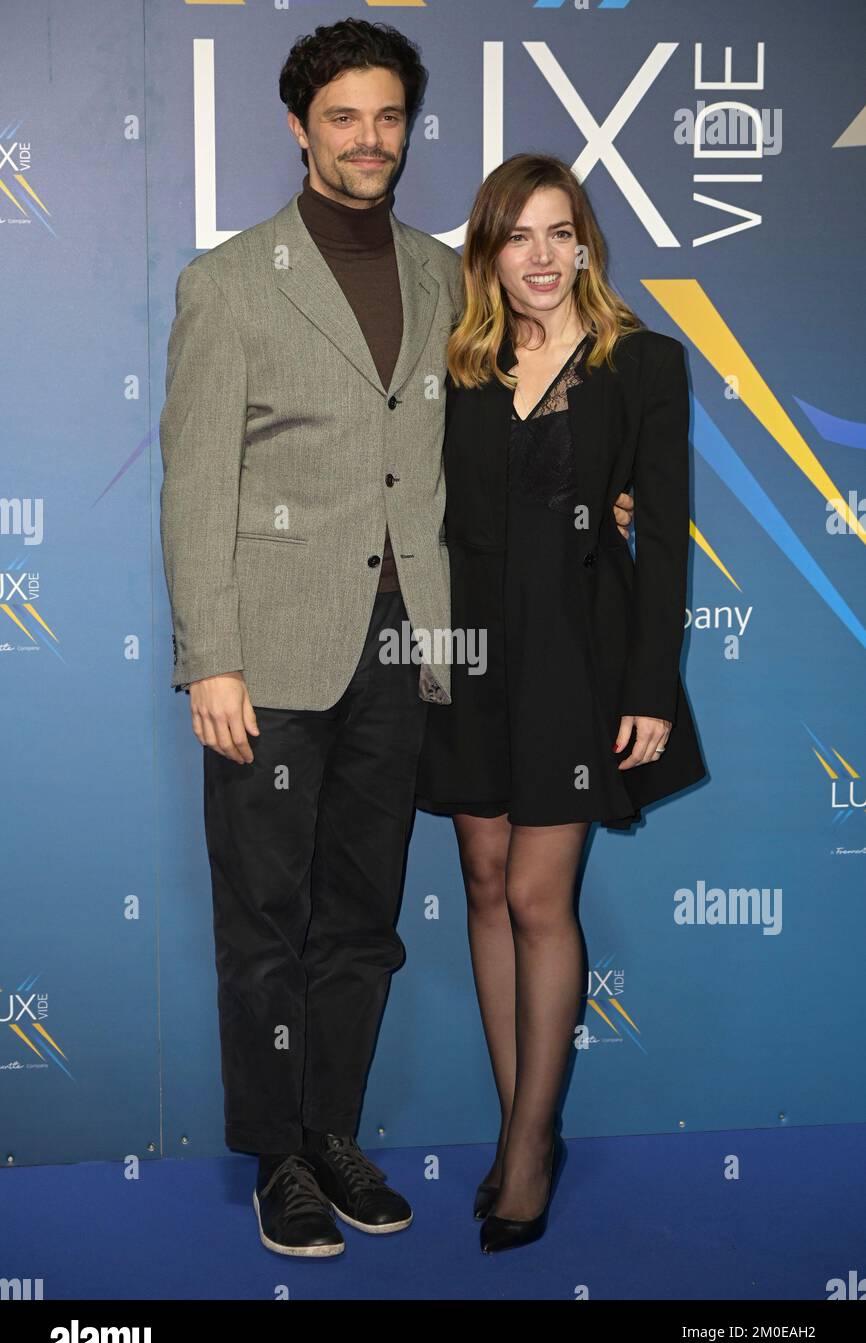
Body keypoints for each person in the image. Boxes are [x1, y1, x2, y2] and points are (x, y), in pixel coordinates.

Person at [159, 18, 635, 1260]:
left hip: (409, 651)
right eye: (342, 118)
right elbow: (194, 483)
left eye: (388, 118)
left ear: (405, 127)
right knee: (265, 917)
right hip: (264, 656)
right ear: (298, 127)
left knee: (361, 918)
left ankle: (329, 1130)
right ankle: (275, 1155)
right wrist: (209, 654)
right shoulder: (226, 282)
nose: (369, 140)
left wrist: (611, 485)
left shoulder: (445, 278)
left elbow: (511, 421)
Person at [415, 153, 707, 1254]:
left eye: (559, 233)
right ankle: (512, 1120)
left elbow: (663, 537)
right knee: (484, 885)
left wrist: (648, 687)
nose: (539, 257)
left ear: (584, 244)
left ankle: (532, 1144)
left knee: (540, 897)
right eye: (516, 235)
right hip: (465, 652)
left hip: (577, 660)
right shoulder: (454, 363)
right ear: (486, 250)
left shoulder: (643, 364)